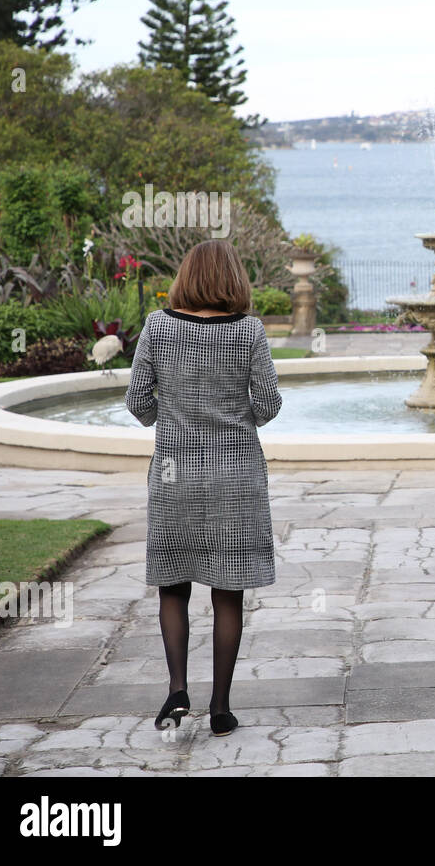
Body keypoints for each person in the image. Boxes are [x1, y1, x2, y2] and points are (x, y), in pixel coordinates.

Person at [125, 239, 283, 737]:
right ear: (234, 278)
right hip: (235, 477)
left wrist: (168, 419)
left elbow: (137, 400)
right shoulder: (249, 331)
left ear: (185, 276)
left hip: (175, 477)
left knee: (173, 585)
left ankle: (177, 691)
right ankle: (220, 705)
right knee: (227, 593)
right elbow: (270, 403)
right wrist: (238, 421)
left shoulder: (158, 326)